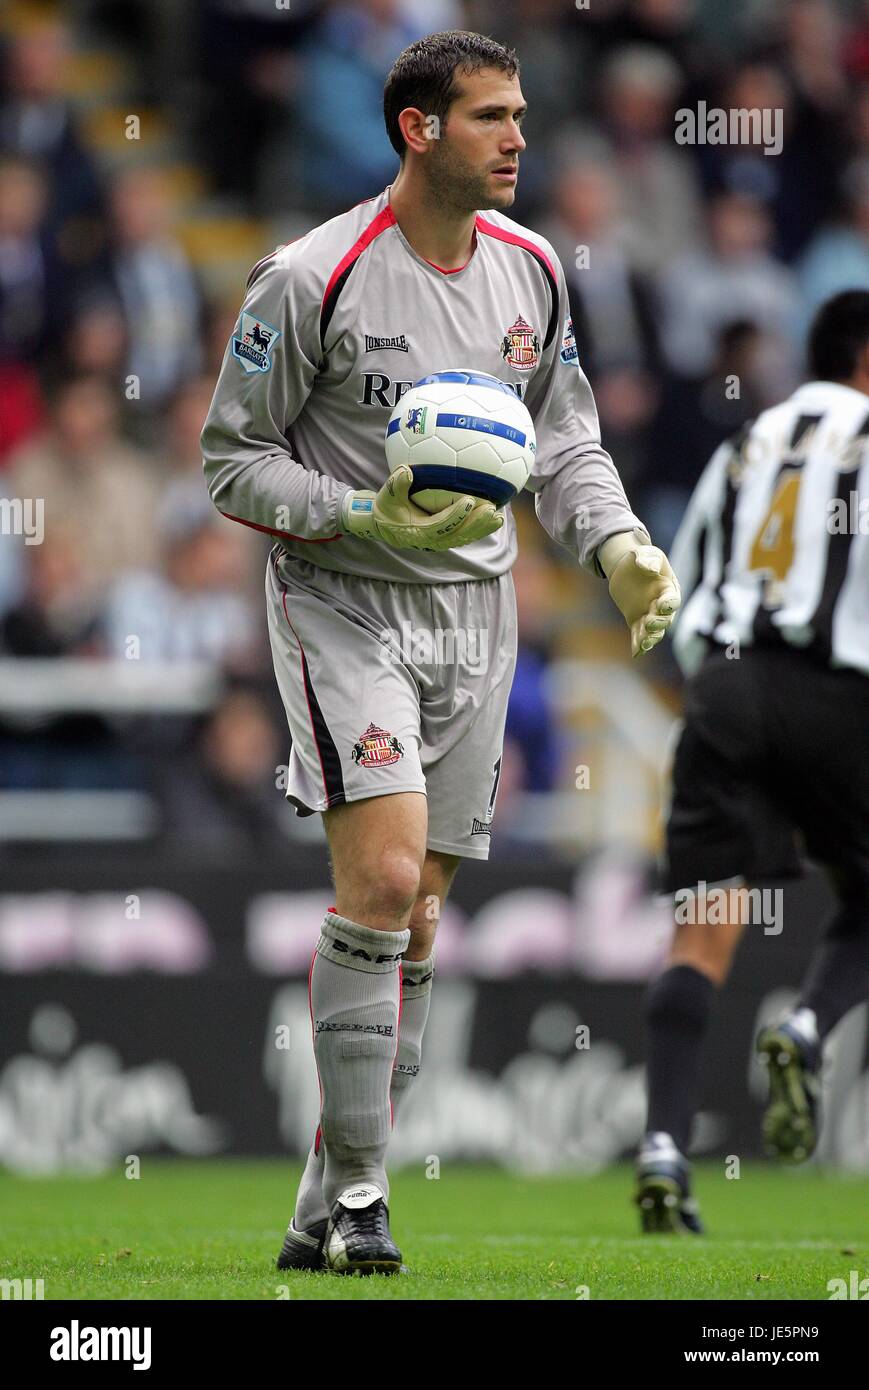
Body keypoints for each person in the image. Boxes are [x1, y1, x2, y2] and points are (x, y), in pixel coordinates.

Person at [201, 29, 680, 1275]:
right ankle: (365, 1195)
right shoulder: (312, 277)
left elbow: (565, 438)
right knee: (382, 875)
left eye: (519, 113)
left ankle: (322, 1202)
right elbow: (229, 461)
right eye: (490, 117)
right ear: (419, 129)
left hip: (479, 619)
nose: (520, 136)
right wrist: (361, 513)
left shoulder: (532, 271)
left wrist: (618, 545)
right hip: (342, 600)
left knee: (413, 922)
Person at [636, 290, 869, 1233]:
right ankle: (807, 1024)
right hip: (837, 692)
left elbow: (682, 582)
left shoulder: (745, 442)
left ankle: (661, 1150)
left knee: (701, 928)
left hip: (725, 688)